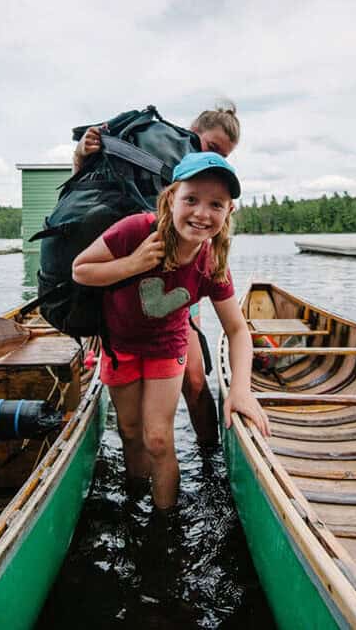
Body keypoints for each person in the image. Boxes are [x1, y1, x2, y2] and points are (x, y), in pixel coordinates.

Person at [72, 152, 270, 509]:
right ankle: (135, 500)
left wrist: (240, 390)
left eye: (216, 204)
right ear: (171, 198)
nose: (201, 213)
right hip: (120, 347)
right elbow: (80, 270)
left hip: (167, 347)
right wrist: (133, 264)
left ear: (228, 213)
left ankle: (163, 524)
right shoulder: (135, 230)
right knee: (130, 433)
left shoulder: (211, 261)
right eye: (191, 199)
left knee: (159, 440)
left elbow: (237, 330)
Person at [73, 102, 240, 446]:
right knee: (136, 424)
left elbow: (214, 230)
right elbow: (87, 193)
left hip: (180, 290)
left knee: (194, 380)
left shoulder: (209, 180)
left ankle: (211, 454)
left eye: (227, 155)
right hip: (126, 285)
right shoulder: (155, 152)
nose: (220, 158)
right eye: (213, 148)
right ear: (191, 132)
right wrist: (80, 156)